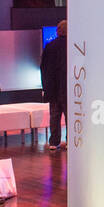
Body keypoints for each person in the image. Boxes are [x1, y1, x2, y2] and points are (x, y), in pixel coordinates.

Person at [40, 19, 68, 151]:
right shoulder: (73, 45)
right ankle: (71, 142)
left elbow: (44, 68)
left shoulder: (50, 46)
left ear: (58, 31)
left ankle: (54, 142)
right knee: (71, 116)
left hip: (53, 88)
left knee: (55, 116)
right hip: (68, 88)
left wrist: (45, 88)